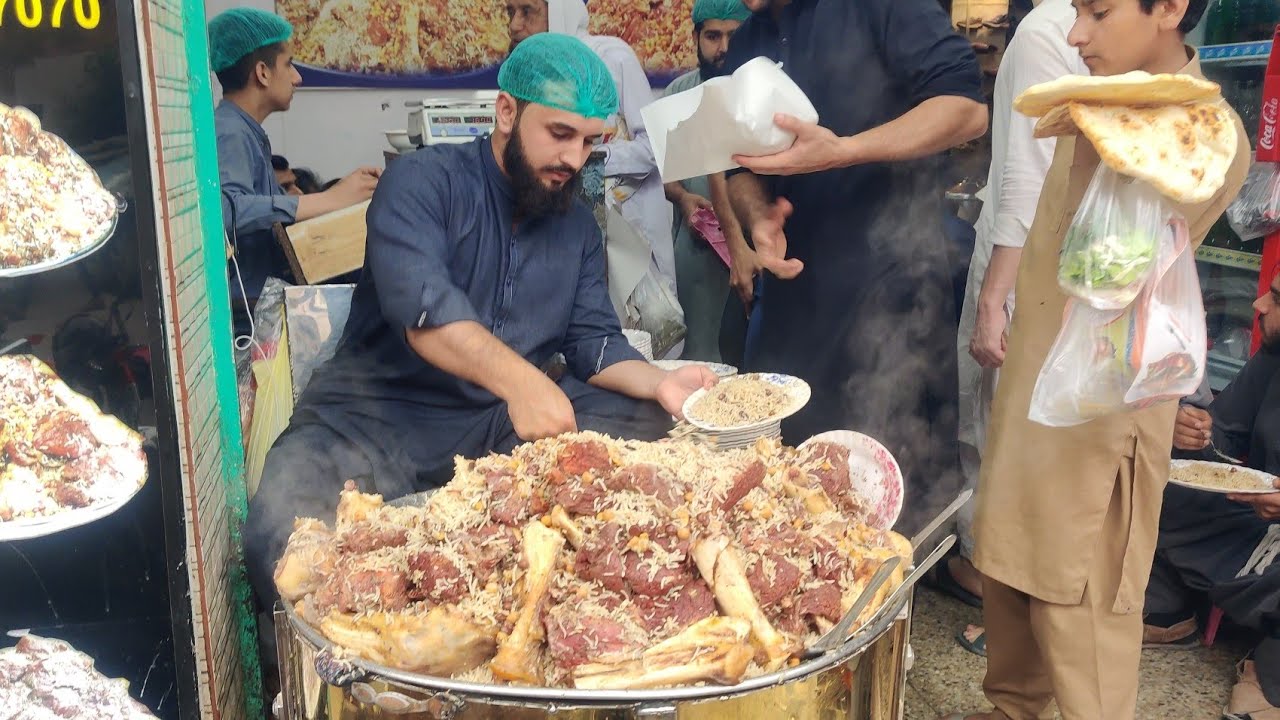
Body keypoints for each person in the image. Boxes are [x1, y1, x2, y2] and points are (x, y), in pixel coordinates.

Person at [244, 33, 718, 605]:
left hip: (494, 427)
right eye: (560, 133)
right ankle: (310, 689)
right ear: (506, 111)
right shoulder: (423, 183)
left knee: (667, 434)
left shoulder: (575, 228)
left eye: (591, 141)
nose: (574, 158)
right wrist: (524, 382)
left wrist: (661, 382)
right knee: (278, 540)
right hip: (370, 420)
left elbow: (594, 341)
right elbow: (426, 313)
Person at [946, 0, 1251, 717]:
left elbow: (1145, 232)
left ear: (1170, 9)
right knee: (1011, 577)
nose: (1077, 34)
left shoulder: (1206, 132)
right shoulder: (1093, 103)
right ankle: (1011, 706)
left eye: (1099, 12)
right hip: (1036, 384)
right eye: (1076, 13)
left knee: (1080, 605)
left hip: (1100, 412)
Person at [721, 0, 988, 532]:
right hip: (795, 295)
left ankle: (895, 603)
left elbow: (965, 109)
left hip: (892, 288)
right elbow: (736, 162)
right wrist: (758, 220)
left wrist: (845, 151)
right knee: (793, 487)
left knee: (892, 494)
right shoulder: (749, 39)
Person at [942, 0, 1086, 650]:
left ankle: (1006, 603)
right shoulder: (1101, 33)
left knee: (997, 430)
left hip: (1025, 263)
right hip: (1077, 266)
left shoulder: (1043, 29)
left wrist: (993, 296)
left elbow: (1028, 177)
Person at [506, 0, 682, 358]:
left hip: (627, 229)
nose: (514, 25)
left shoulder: (611, 56)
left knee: (643, 341)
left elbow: (654, 146)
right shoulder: (533, 76)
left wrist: (589, 157)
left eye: (526, 11)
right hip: (567, 223)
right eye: (510, 13)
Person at [1143, 269, 1280, 719]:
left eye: (1275, 299)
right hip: (1254, 519)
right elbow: (1223, 433)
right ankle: (1167, 610)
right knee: (1153, 480)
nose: (1258, 307)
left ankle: (1271, 674)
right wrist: (1190, 430)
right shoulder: (1272, 360)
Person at [209, 7, 381, 307]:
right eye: (288, 65)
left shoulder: (247, 131)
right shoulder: (230, 131)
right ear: (262, 73)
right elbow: (225, 210)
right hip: (244, 311)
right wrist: (331, 200)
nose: (297, 77)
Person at [662, 0, 753, 362]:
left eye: (734, 35)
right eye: (713, 36)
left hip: (758, 243)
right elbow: (668, 179)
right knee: (701, 355)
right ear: (696, 37)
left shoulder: (764, 93)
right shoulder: (677, 95)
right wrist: (684, 199)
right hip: (698, 248)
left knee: (755, 354)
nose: (724, 48)